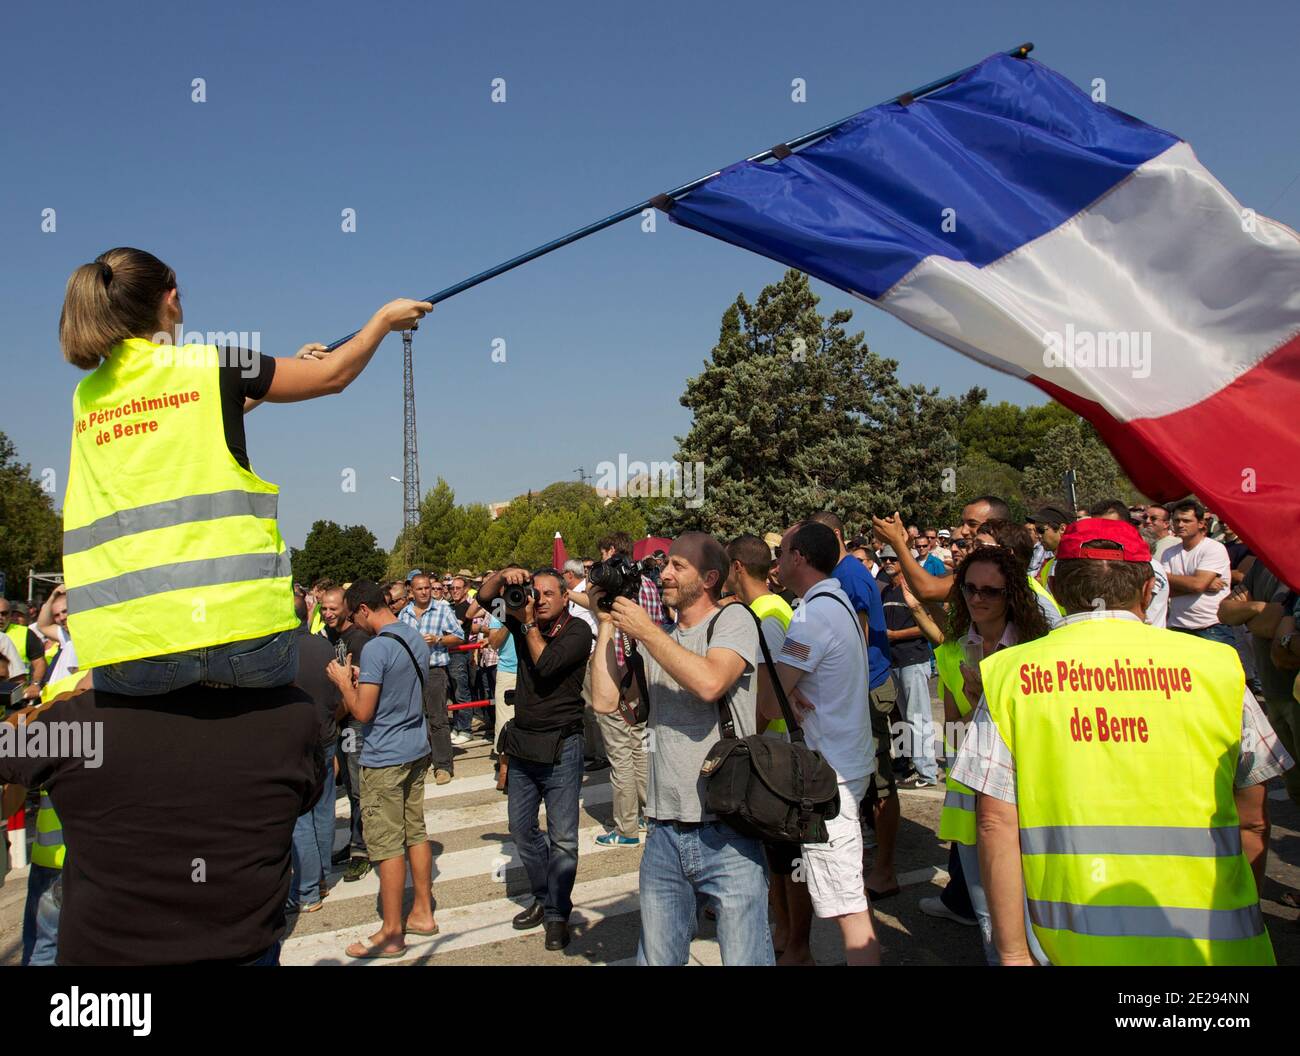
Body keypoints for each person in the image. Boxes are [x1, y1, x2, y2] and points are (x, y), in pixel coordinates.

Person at [57, 247, 431, 695]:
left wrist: (284, 367)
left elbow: (202, 413)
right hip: (240, 637)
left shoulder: (87, 396)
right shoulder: (214, 363)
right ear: (170, 298)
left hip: (129, 648)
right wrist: (385, 321)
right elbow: (333, 375)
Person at [952, 518, 1288, 965]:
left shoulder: (1010, 673)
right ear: (1149, 588)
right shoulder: (1217, 667)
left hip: (1071, 942)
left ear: (1053, 582)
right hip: (1213, 942)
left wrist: (1012, 953)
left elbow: (994, 823)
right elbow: (1254, 821)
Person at [0, 675, 320, 964]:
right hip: (243, 948)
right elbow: (307, 796)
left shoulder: (78, 721)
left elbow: (8, 750)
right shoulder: (291, 715)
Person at [589, 532, 772, 965]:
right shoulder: (662, 636)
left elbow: (710, 682)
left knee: (746, 957)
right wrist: (607, 623)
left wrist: (648, 632)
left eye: (677, 566)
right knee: (658, 957)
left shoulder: (733, 622)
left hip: (726, 827)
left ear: (710, 578)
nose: (664, 574)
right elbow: (603, 701)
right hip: (664, 830)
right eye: (665, 565)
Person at [919, 545, 1052, 963]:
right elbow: (957, 729)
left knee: (1041, 916)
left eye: (990, 591)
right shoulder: (956, 649)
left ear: (1012, 594)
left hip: (1035, 795)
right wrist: (975, 700)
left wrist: (989, 700)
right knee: (991, 917)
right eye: (970, 589)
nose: (977, 598)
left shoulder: (1038, 649)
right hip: (975, 790)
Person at [769, 522, 882, 965]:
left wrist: (784, 686)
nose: (777, 560)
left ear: (798, 557)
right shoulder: (835, 602)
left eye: (782, 551)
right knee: (848, 891)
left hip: (828, 775)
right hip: (845, 762)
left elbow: (771, 697)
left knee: (847, 905)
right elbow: (793, 684)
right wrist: (790, 687)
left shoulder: (813, 615)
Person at [475, 566, 593, 951]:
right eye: (534, 593)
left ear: (564, 597)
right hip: (524, 743)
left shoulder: (577, 632)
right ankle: (545, 897)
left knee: (563, 839)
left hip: (563, 744)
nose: (538, 600)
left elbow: (544, 666)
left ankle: (557, 912)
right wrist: (501, 576)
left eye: (546, 594)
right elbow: (481, 599)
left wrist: (526, 625)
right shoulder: (518, 617)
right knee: (521, 829)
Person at [327, 580, 438, 959]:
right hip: (415, 747)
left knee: (387, 844)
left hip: (384, 756)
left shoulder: (375, 648)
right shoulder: (413, 635)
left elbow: (361, 712)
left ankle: (392, 931)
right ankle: (422, 910)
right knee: (415, 831)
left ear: (361, 609)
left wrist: (344, 682)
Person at [724, 533, 808, 962]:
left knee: (784, 852)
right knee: (774, 851)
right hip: (767, 745)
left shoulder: (767, 615)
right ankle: (783, 931)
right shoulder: (759, 610)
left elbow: (770, 688)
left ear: (737, 567)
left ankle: (796, 941)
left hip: (775, 747)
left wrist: (743, 740)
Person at [1221, 560, 1300, 806]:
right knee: (1293, 785)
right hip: (1273, 692)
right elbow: (1224, 611)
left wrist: (1248, 614)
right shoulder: (1263, 563)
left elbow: (1275, 621)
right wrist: (1257, 609)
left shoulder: (1291, 563)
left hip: (1293, 692)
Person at [288, 593, 344, 913]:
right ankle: (321, 878)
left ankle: (307, 890)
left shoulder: (279, 652)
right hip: (325, 735)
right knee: (323, 809)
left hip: (297, 742)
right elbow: (336, 694)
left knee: (300, 816)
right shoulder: (322, 646)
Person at [319, 587, 376, 877]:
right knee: (349, 786)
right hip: (338, 720)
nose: (328, 614)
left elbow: (360, 687)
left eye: (333, 608)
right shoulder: (326, 637)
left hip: (353, 721)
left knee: (357, 787)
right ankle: (356, 840)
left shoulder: (359, 639)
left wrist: (332, 717)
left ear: (346, 608)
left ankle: (362, 848)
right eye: (323, 609)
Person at [879, 546, 939, 788]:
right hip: (895, 661)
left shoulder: (913, 590)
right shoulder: (887, 592)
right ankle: (913, 765)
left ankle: (928, 772)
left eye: (893, 558)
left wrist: (895, 635)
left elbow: (928, 626)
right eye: (884, 559)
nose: (888, 562)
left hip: (914, 659)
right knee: (903, 718)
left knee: (918, 717)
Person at [399, 573, 463, 782]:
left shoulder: (443, 608)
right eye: (420, 589)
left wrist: (438, 639)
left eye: (427, 588)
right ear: (412, 591)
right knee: (415, 718)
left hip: (435, 669)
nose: (425, 592)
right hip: (410, 672)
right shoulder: (404, 614)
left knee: (438, 718)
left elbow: (459, 636)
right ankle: (420, 760)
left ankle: (443, 765)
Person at [1089, 498, 1170, 628]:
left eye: (1110, 527)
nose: (1102, 533)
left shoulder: (1147, 566)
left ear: (1127, 527)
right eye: (1095, 527)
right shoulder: (1099, 564)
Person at [1162, 500, 1234, 644]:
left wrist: (1198, 585)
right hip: (1178, 627)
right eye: (1176, 520)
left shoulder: (1213, 548)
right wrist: (1203, 585)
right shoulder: (1169, 553)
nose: (1180, 525)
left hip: (1212, 626)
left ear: (1201, 524)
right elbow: (1164, 591)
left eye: (1186, 520)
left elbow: (1197, 585)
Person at [447, 576, 478, 741]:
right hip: (451, 653)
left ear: (466, 589)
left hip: (459, 653)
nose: (454, 591)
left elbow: (453, 627)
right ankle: (458, 726)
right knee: (454, 691)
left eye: (458, 588)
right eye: (452, 588)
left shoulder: (465, 607)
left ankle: (465, 729)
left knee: (461, 691)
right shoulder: (452, 607)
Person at [0, 598, 46, 699]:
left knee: (22, 715)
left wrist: (35, 684)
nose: (0, 617)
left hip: (19, 697)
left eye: (4, 614)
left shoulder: (26, 634)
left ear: (10, 615)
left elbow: (39, 662)